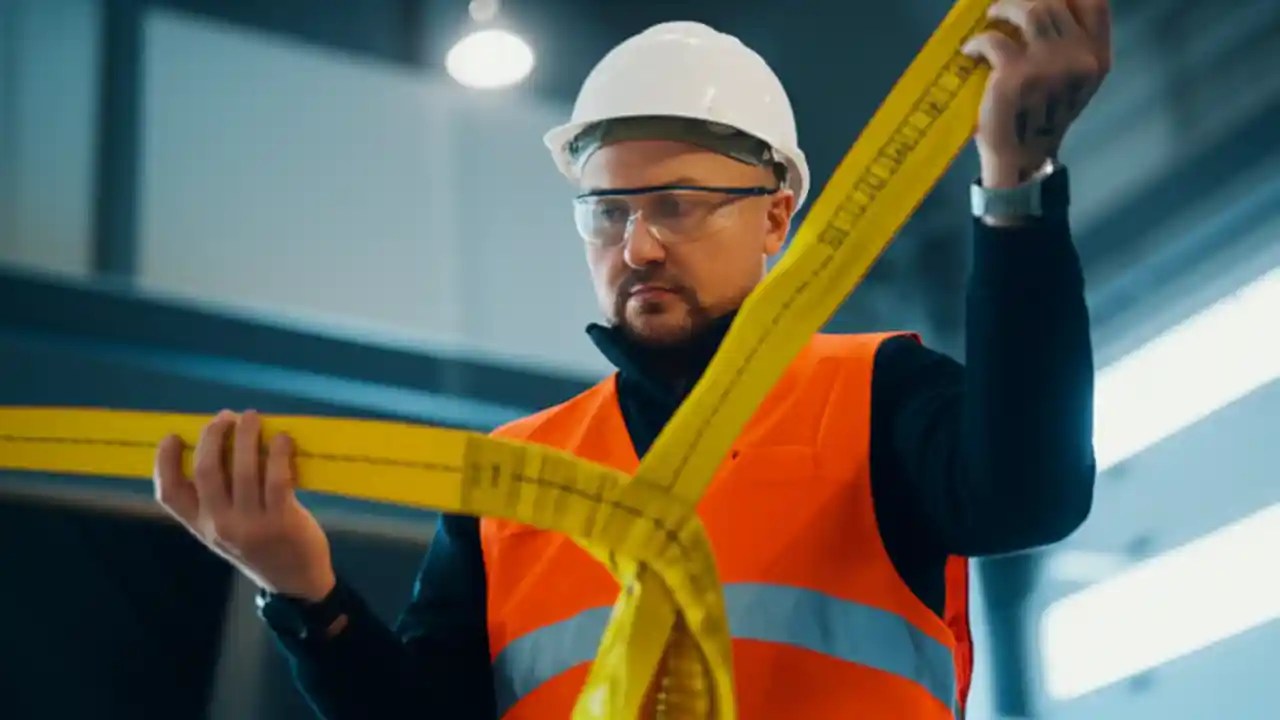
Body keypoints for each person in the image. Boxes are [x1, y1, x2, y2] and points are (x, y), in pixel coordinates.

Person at [152, 2, 1111, 718]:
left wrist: (1015, 188)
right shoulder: (511, 488)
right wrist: (303, 589)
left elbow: (1032, 491)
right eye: (607, 213)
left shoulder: (874, 396)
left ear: (777, 214)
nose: (638, 247)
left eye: (679, 204)